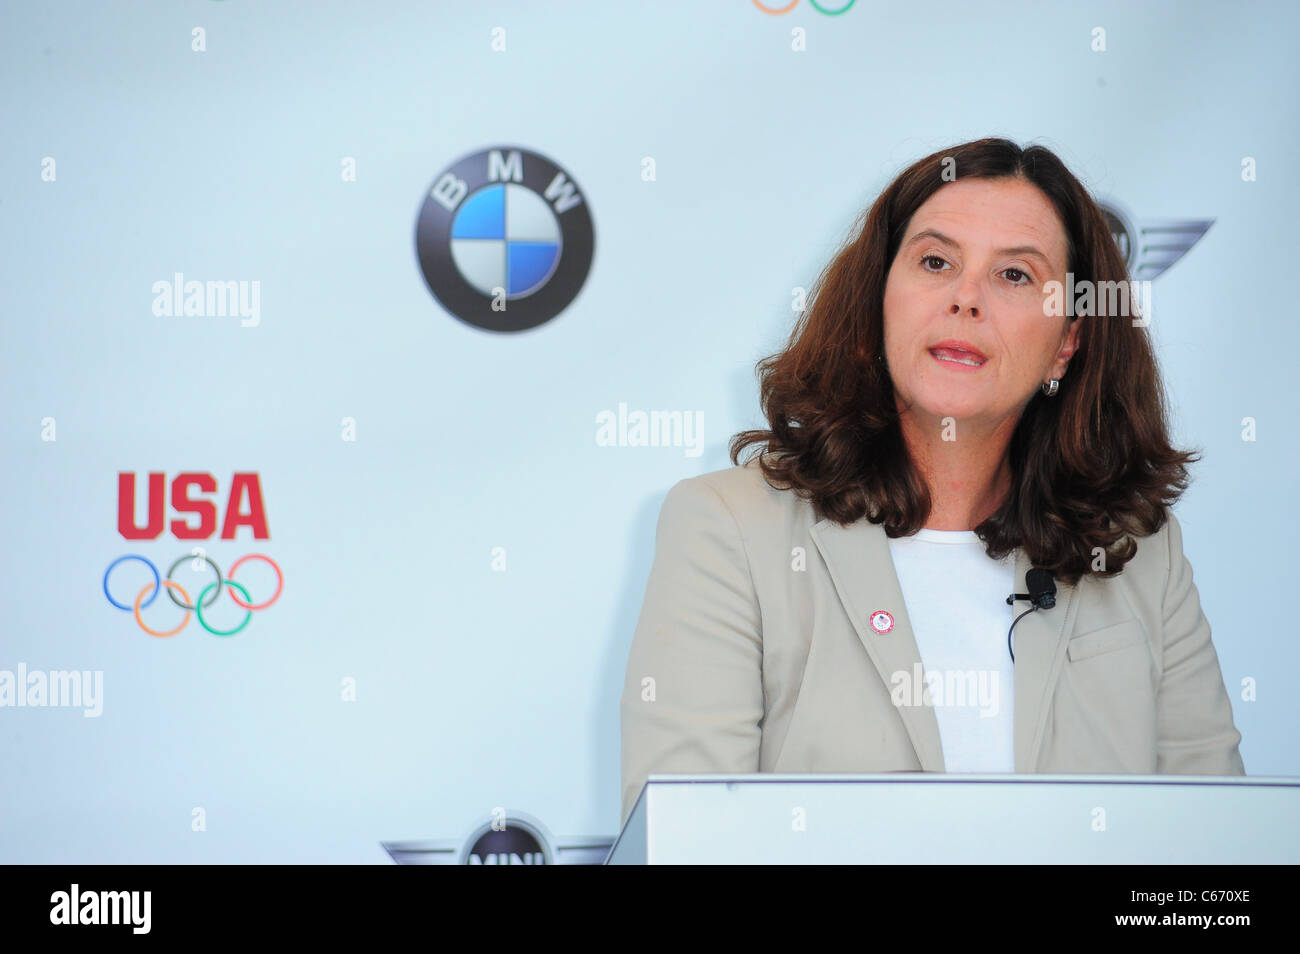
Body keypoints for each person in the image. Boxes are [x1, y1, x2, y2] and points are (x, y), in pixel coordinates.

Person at [618, 137, 1245, 826]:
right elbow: (691, 842)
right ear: (879, 304)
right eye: (936, 262)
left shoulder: (1139, 555)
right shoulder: (728, 529)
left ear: (1066, 341)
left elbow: (1215, 849)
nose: (965, 298)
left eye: (1014, 276)